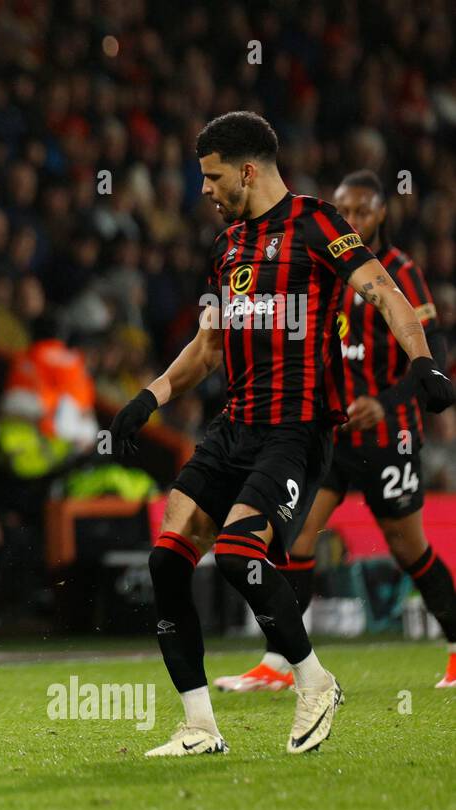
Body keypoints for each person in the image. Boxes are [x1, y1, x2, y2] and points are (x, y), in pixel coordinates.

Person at [109, 112, 455, 756]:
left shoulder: (317, 223)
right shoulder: (228, 247)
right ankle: (199, 727)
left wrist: (422, 360)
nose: (205, 190)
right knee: (166, 560)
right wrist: (149, 396)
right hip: (232, 427)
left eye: (213, 177)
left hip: (294, 434)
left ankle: (314, 681)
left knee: (241, 555)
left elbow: (382, 291)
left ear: (246, 170)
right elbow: (208, 346)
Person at [216, 170, 456, 691]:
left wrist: (386, 400)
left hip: (389, 434)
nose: (355, 217)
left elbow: (434, 349)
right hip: (333, 434)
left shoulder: (397, 271)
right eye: (346, 208)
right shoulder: (325, 265)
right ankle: (280, 663)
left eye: (364, 209)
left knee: (407, 547)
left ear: (382, 214)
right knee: (298, 538)